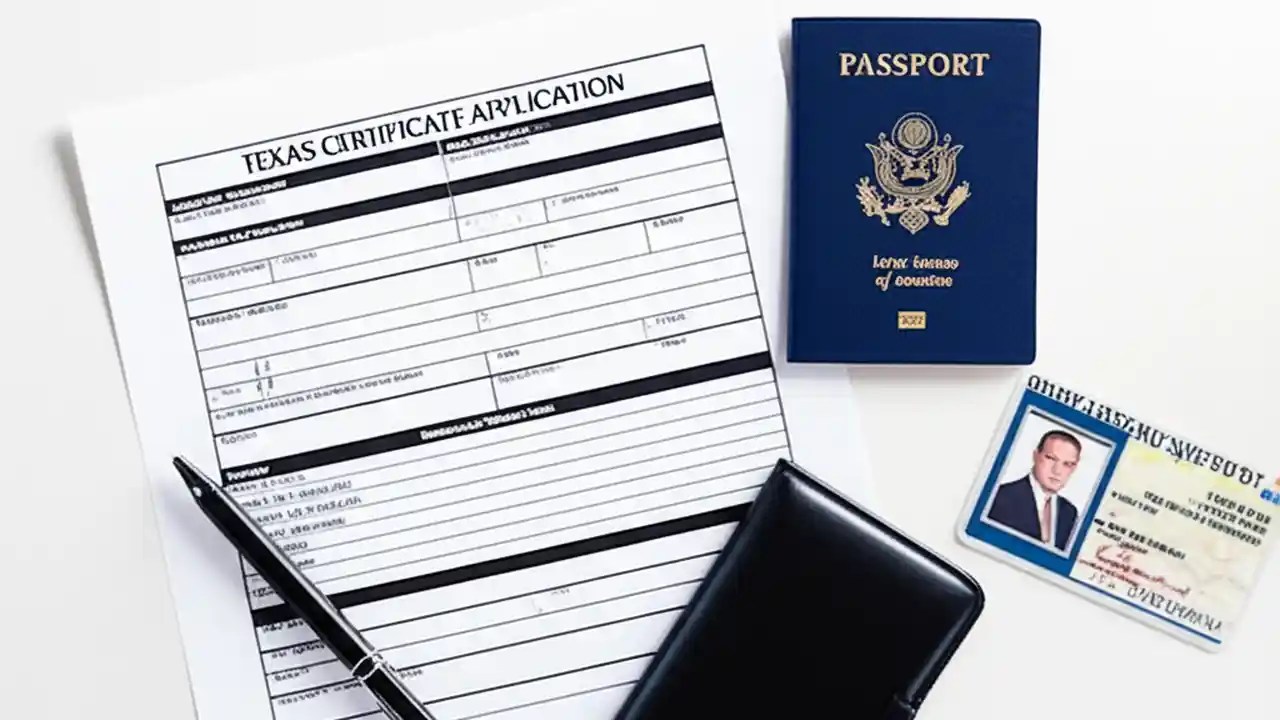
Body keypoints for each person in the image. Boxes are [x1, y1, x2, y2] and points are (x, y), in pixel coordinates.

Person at [987, 429, 1082, 551]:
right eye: (1051, 458)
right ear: (1036, 456)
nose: (1057, 470)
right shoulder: (1000, 497)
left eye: (1067, 464)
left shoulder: (1069, 512)